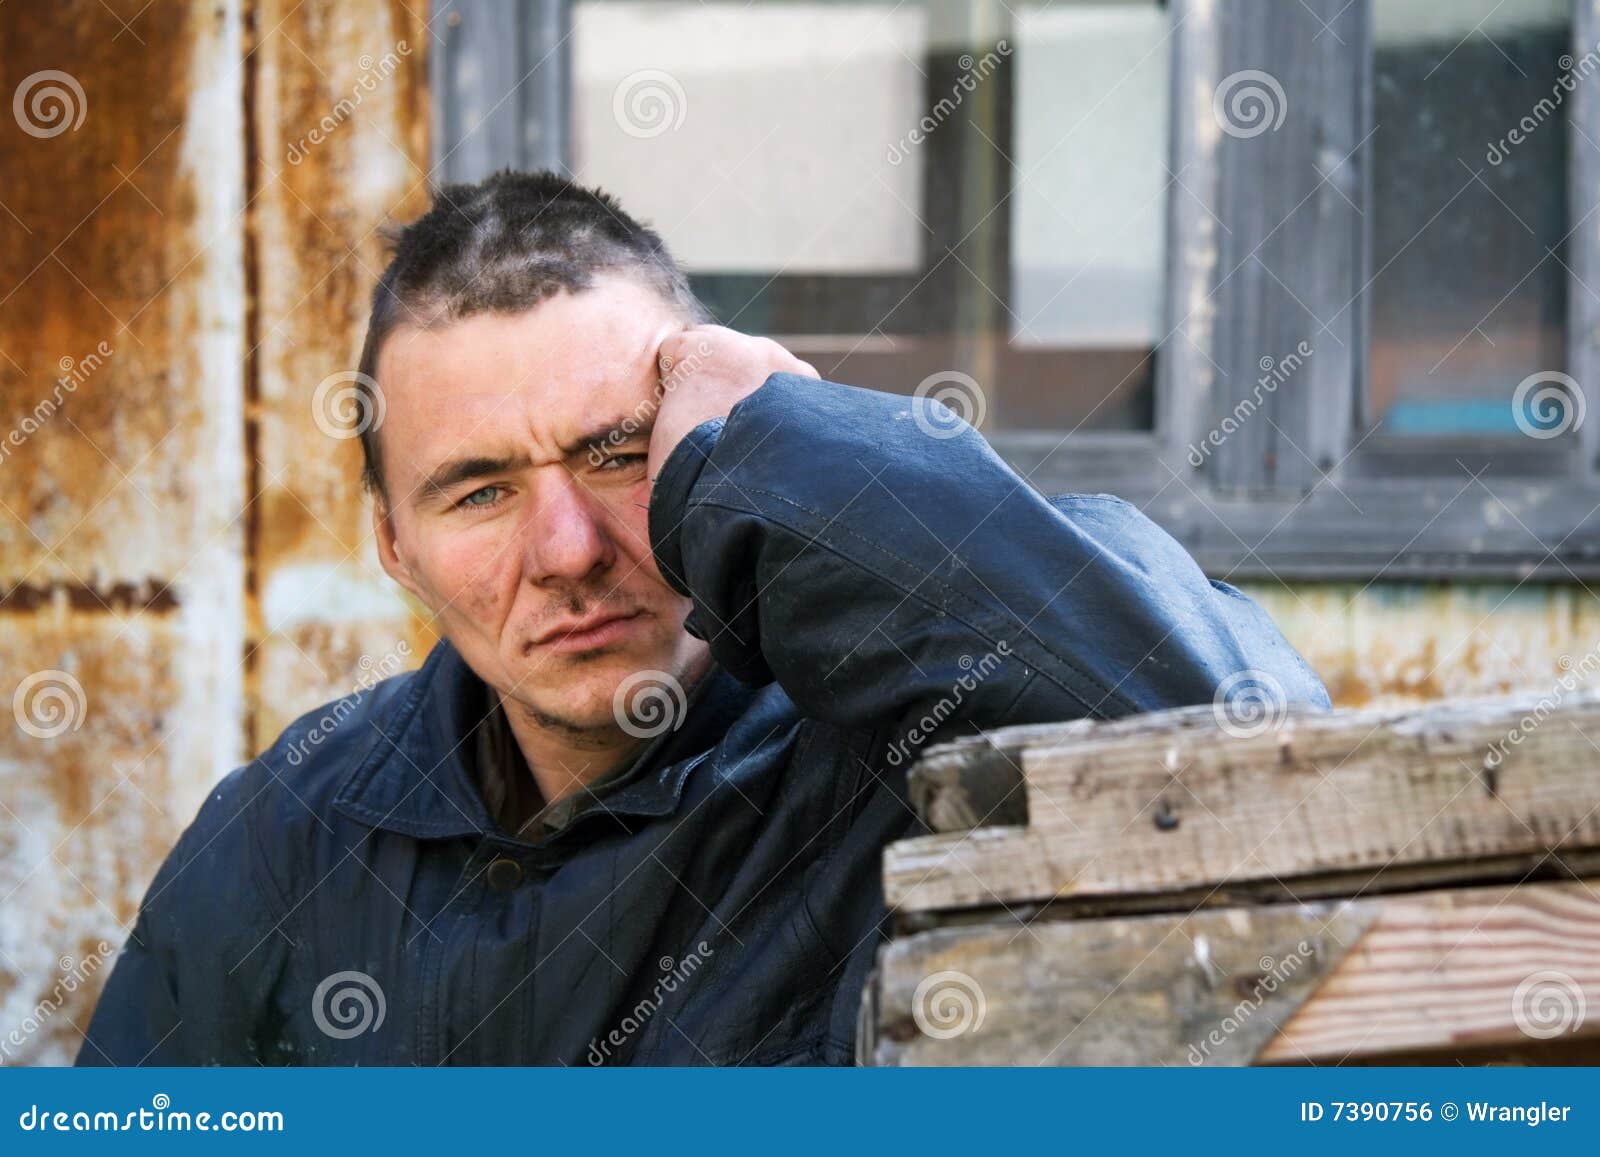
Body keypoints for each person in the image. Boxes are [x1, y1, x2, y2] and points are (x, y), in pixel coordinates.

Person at [78, 170, 1329, 1066]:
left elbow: (1248, 755)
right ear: (394, 547)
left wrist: (795, 452)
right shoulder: (287, 837)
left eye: (620, 455)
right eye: (480, 489)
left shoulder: (895, 752)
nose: (565, 552)